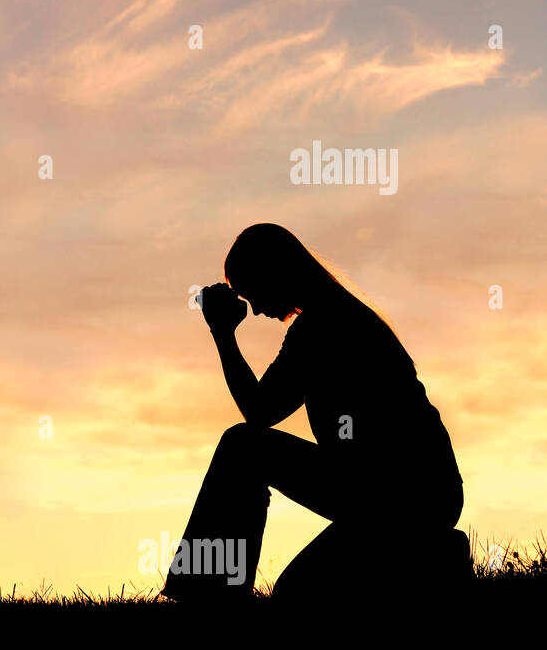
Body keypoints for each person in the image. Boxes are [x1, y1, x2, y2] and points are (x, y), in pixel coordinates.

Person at [161, 224, 469, 605]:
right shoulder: (332, 316)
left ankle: (206, 596)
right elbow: (265, 408)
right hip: (401, 493)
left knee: (242, 446)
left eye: (252, 290)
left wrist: (223, 334)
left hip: (402, 493)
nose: (255, 309)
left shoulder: (323, 324)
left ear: (274, 273)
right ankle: (433, 555)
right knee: (297, 591)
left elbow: (259, 412)